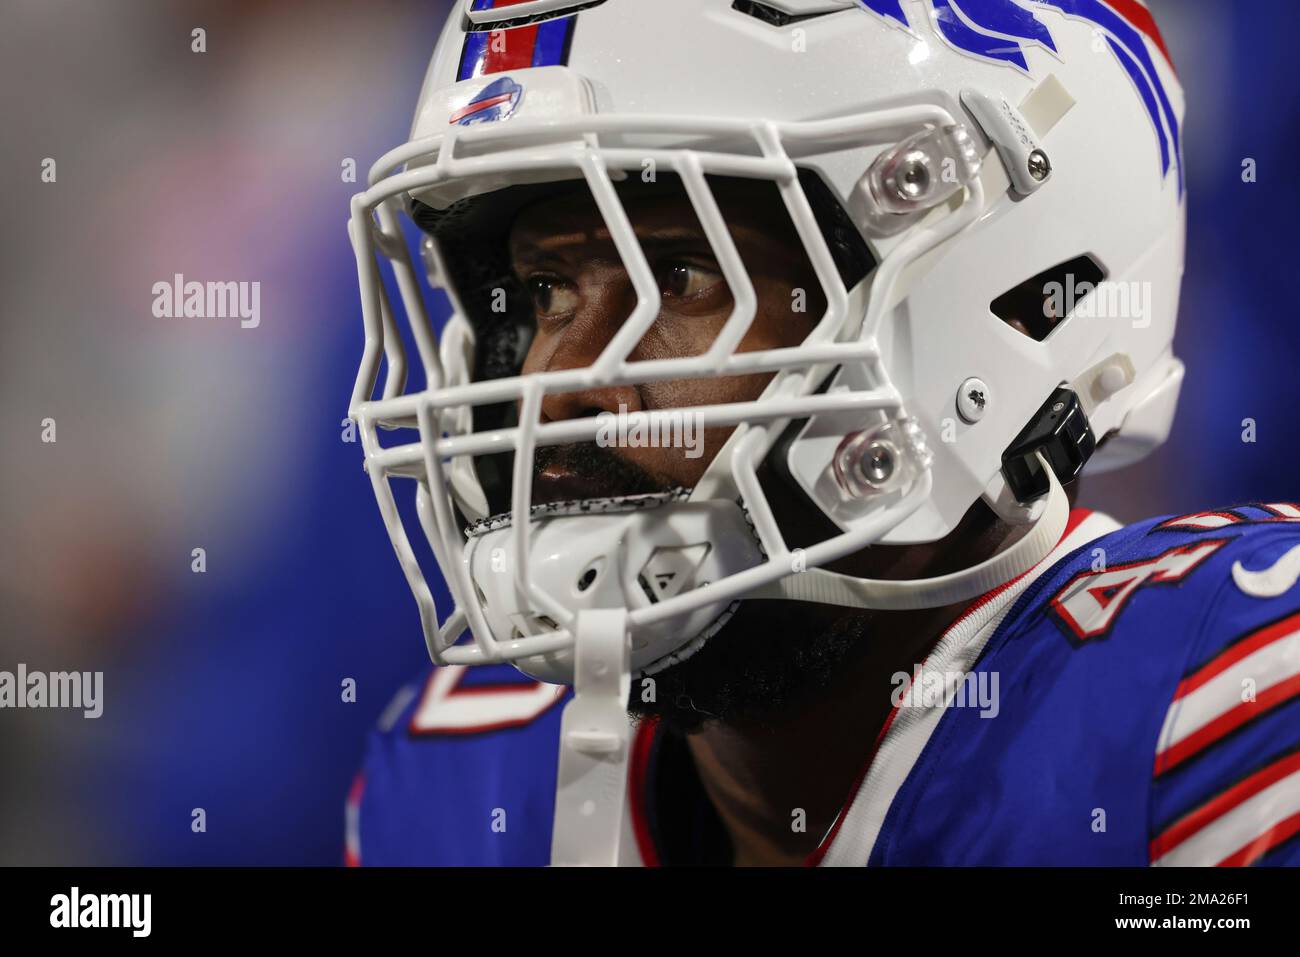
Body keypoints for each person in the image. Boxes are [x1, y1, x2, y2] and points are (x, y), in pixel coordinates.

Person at [342, 0, 1300, 867]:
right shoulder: (454, 785)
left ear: (1000, 290)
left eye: (679, 274)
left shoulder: (1217, 703)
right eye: (548, 291)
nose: (556, 386)